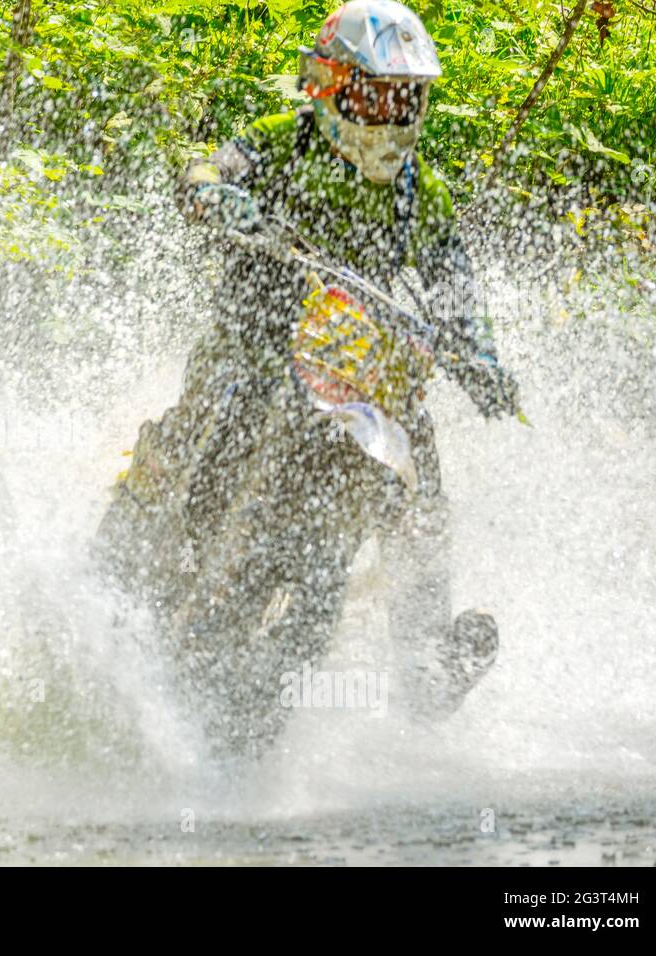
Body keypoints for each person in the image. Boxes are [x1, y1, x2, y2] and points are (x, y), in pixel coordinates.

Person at [97, 0, 517, 724]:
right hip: (252, 350)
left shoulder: (423, 193)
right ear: (332, 84)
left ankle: (423, 659)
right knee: (201, 423)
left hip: (354, 371)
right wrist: (215, 195)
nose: (392, 113)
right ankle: (121, 550)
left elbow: (455, 287)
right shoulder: (283, 142)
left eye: (406, 97)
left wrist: (478, 356)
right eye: (379, 93)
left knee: (421, 462)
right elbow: (209, 167)